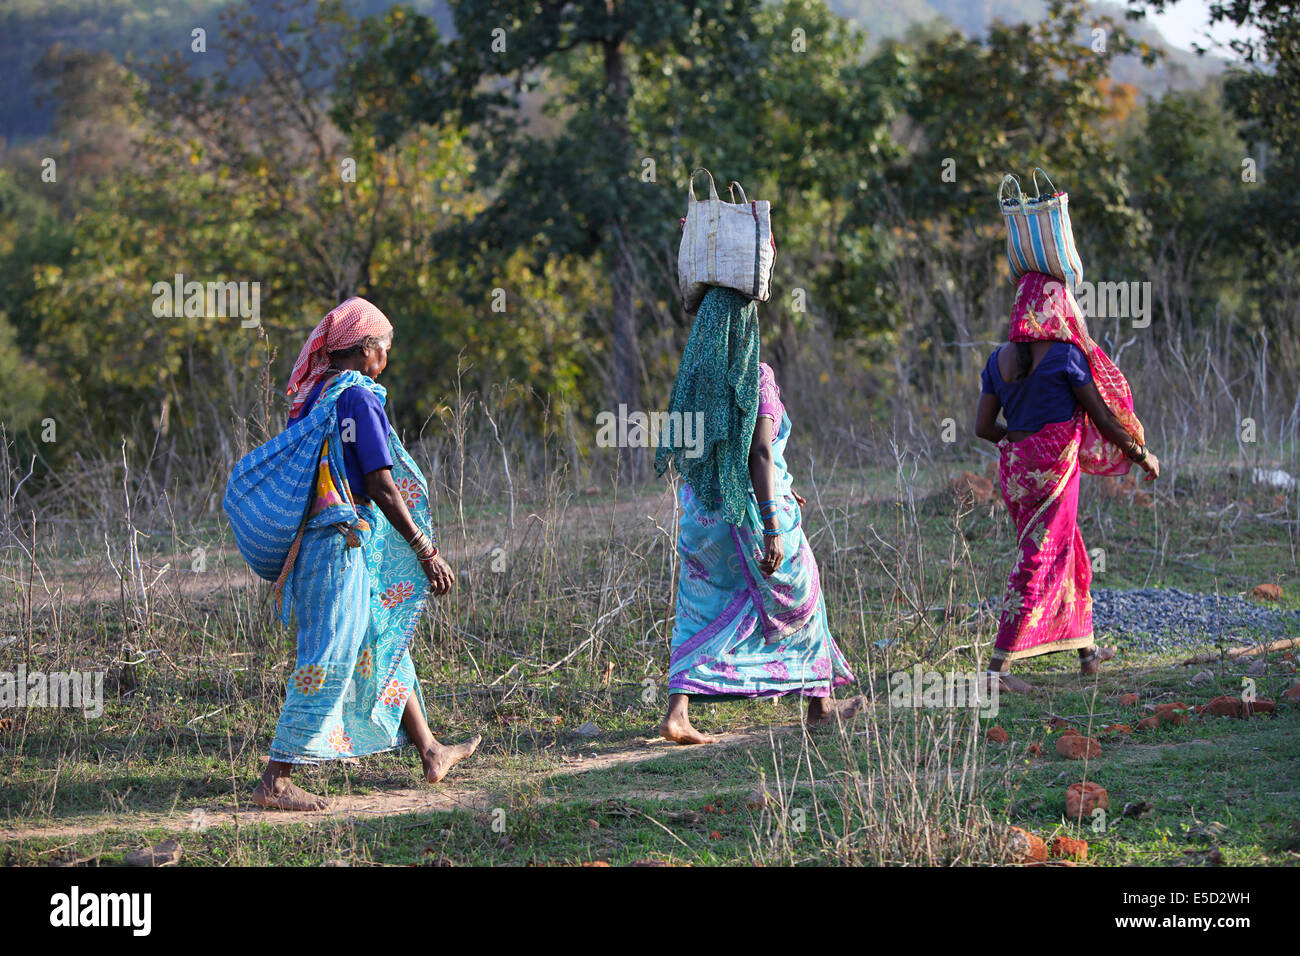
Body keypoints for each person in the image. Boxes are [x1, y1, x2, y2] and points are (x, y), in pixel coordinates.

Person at [251, 297, 479, 811]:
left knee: (378, 635)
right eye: (386, 347)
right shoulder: (359, 398)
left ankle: (430, 750)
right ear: (368, 349)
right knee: (328, 654)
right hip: (341, 546)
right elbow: (380, 482)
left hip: (318, 543)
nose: (388, 357)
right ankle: (276, 780)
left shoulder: (316, 398)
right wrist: (425, 548)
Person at [654, 286, 864, 744]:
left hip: (701, 515)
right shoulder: (755, 376)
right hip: (748, 516)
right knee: (804, 593)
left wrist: (786, 489)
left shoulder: (693, 380)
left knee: (698, 609)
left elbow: (711, 454)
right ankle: (820, 704)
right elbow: (760, 453)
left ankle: (677, 712)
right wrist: (772, 522)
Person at [974, 273, 1159, 692]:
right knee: (1036, 561)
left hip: (1016, 474)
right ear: (1056, 308)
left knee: (1070, 551)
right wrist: (1141, 454)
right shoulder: (1065, 356)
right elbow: (1104, 419)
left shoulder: (997, 360)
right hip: (1054, 475)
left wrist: (1019, 442)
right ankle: (996, 672)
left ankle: (1087, 654)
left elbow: (983, 427)